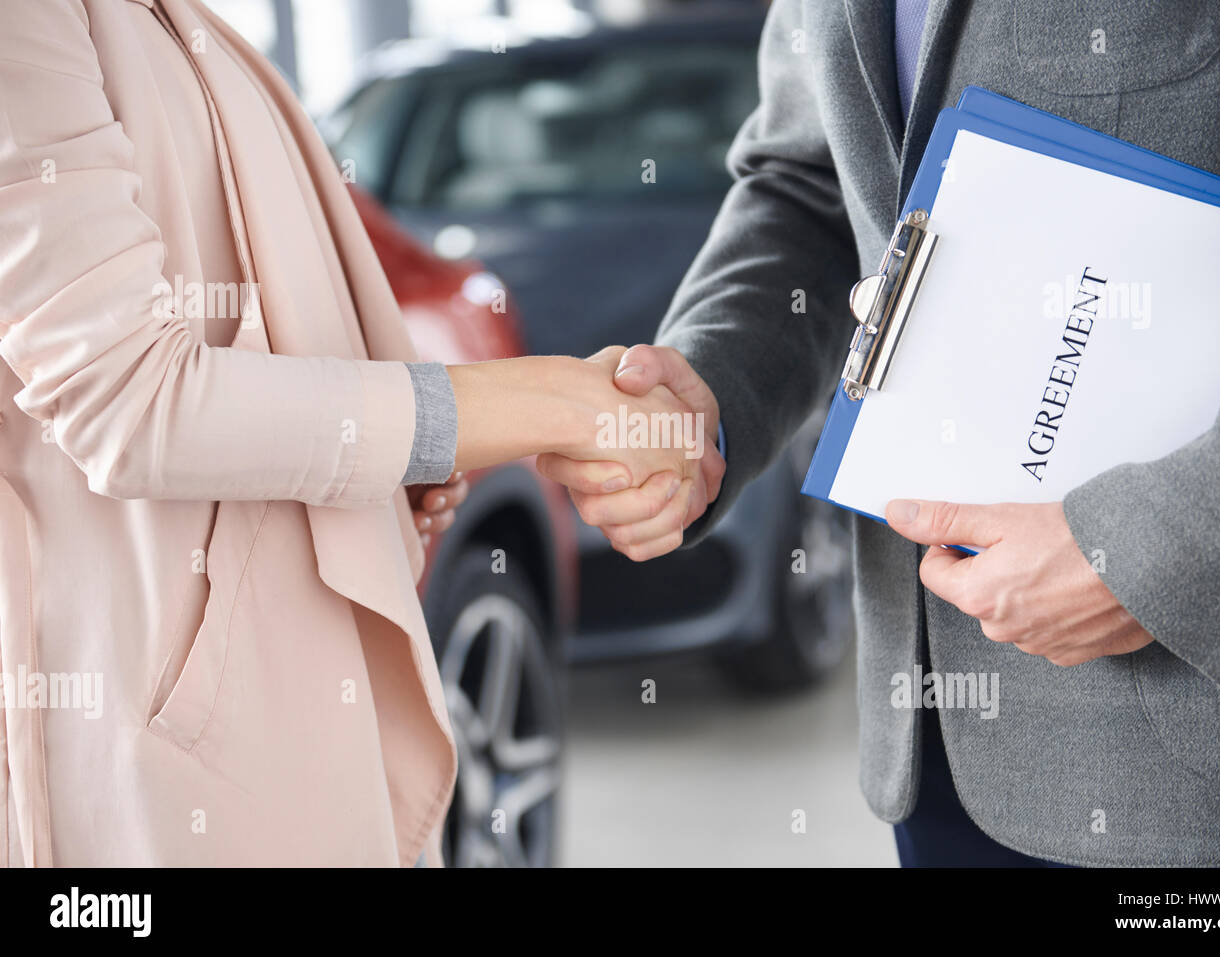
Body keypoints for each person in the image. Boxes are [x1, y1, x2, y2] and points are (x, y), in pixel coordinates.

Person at [540, 0, 1220, 866]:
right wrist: (706, 390)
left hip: (1219, 772)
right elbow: (815, 189)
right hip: (930, 746)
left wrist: (1155, 546)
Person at [0, 0, 709, 866]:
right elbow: (130, 397)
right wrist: (563, 401)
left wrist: (379, 459)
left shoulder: (176, 20)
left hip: (257, 731)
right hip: (133, 764)